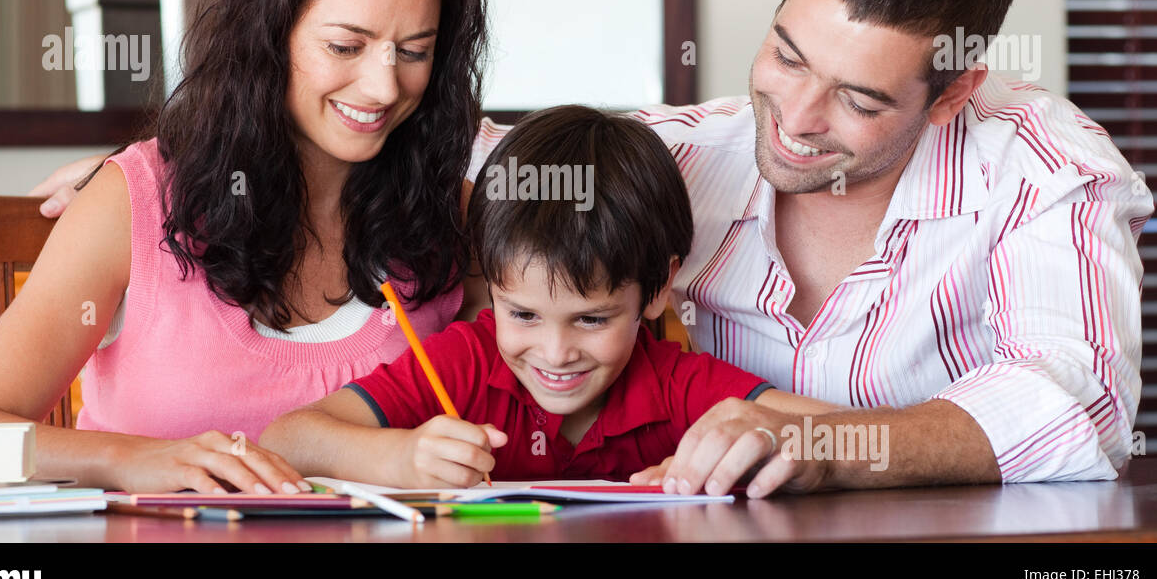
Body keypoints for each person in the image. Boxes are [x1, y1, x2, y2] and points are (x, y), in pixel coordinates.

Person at [465, 0, 1154, 498]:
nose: (795, 119)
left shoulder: (1044, 169)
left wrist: (829, 442)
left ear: (953, 93)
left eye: (859, 100)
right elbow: (453, 156)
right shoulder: (689, 155)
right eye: (787, 57)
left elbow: (1079, 407)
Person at [0, 0, 489, 494]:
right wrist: (129, 460)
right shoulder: (131, 201)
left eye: (413, 52)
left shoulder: (450, 219)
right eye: (345, 46)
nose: (385, 85)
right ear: (269, 33)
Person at [259, 106, 838, 485]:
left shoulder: (675, 383)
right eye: (524, 314)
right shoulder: (466, 362)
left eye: (590, 319)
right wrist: (402, 458)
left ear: (659, 288)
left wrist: (740, 450)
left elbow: (848, 432)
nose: (555, 352)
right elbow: (290, 437)